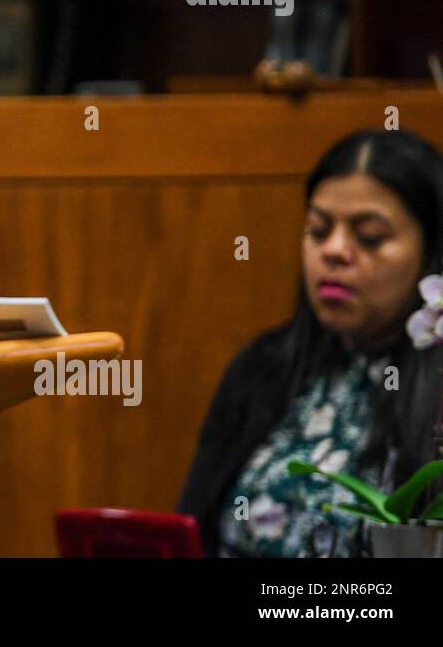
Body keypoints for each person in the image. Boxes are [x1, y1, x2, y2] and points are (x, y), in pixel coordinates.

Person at [179, 130, 443, 556]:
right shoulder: (262, 367)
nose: (334, 251)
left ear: (431, 251)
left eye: (369, 237)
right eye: (319, 231)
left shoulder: (437, 389)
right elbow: (192, 529)